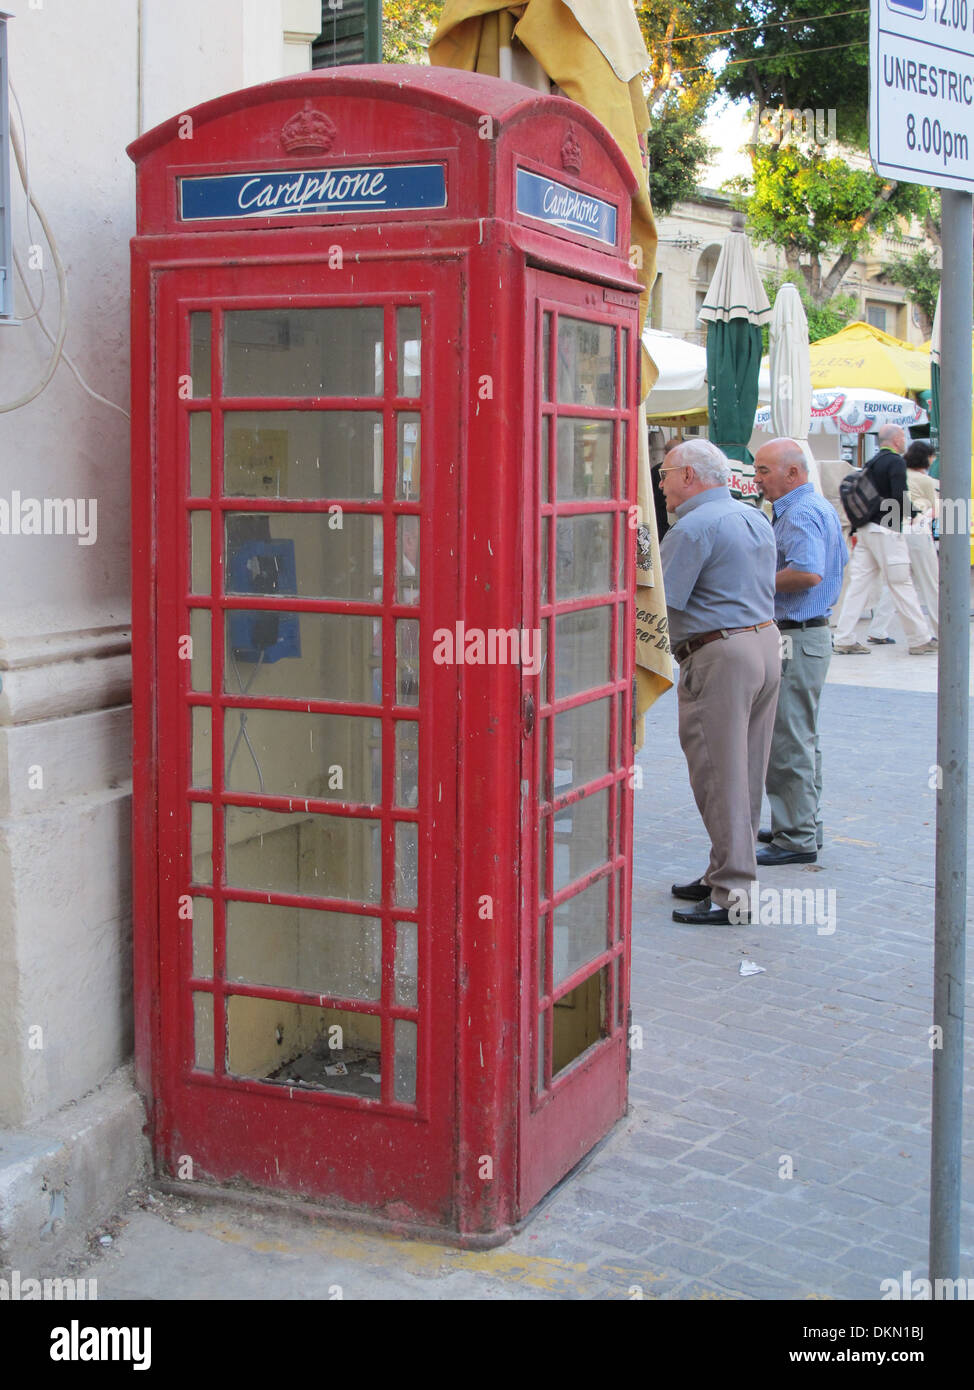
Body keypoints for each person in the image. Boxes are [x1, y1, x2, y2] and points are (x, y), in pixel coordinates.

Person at [659, 439, 781, 925]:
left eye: (665, 474)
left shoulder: (692, 528)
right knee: (746, 772)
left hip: (719, 655)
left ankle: (732, 891)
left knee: (719, 775)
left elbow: (662, 604)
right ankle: (724, 870)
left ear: (689, 476)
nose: (661, 485)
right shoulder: (753, 517)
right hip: (764, 644)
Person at [753, 439, 847, 865]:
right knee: (802, 735)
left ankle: (796, 836)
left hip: (797, 634)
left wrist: (754, 583)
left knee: (788, 737)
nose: (757, 479)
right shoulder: (819, 507)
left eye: (763, 470)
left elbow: (808, 572)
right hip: (809, 635)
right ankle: (804, 821)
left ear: (793, 473)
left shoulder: (801, 511)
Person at [832, 425, 937, 655]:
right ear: (898, 439)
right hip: (887, 529)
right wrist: (916, 515)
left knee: (859, 585)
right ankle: (919, 638)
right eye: (903, 437)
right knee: (901, 582)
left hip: (865, 528)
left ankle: (843, 637)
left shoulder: (872, 462)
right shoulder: (896, 462)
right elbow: (899, 496)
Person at [865, 440, 940, 644]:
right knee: (930, 583)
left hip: (895, 530)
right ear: (926, 458)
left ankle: (878, 629)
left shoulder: (898, 473)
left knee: (896, 583)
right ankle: (941, 632)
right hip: (917, 531)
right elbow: (936, 510)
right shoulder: (927, 481)